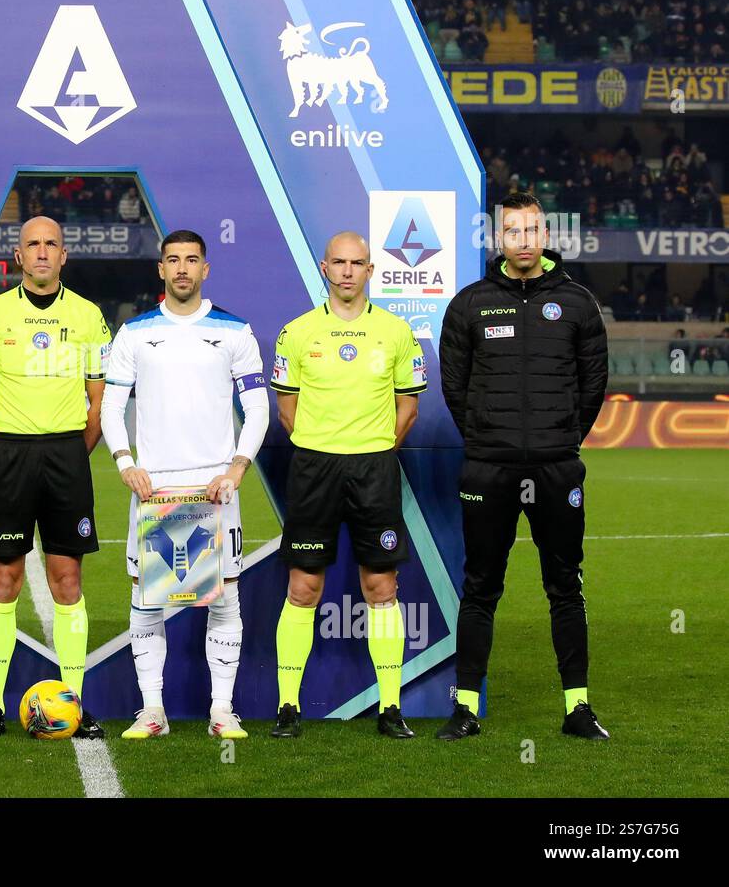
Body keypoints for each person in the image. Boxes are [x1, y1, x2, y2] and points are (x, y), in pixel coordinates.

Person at [437, 191, 610, 741]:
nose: (524, 241)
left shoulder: (578, 304)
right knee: (481, 586)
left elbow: (593, 385)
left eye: (533, 230)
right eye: (513, 232)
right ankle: (465, 708)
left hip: (558, 469)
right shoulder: (470, 304)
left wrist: (560, 439)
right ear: (498, 238)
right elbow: (454, 388)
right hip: (489, 469)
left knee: (565, 585)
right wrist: (490, 439)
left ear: (545, 234)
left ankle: (578, 708)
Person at [100, 229, 269, 740]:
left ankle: (222, 711)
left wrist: (237, 468)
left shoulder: (235, 331)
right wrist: (126, 462)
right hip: (155, 490)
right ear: (160, 269)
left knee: (225, 598)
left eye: (191, 260)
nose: (181, 269)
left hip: (215, 488)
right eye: (172, 260)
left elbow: (257, 408)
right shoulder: (133, 333)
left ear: (205, 269)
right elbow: (111, 407)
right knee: (147, 599)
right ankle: (153, 711)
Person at [268, 232, 425, 740]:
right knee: (303, 586)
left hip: (374, 471)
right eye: (339, 262)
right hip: (314, 470)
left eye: (358, 263)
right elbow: (286, 409)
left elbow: (408, 408)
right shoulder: (296, 332)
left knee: (382, 586)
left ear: (370, 269)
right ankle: (288, 706)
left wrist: (375, 450)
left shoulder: (398, 332)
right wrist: (323, 445)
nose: (348, 271)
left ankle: (390, 708)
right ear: (324, 267)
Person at [0, 216, 111, 739]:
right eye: (33, 245)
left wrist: (75, 452)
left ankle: (75, 701)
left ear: (64, 256)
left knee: (67, 579)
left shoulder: (89, 317)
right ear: (18, 256)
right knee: (4, 579)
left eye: (52, 244)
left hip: (67, 456)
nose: (43, 252)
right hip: (10, 458)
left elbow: (100, 402)